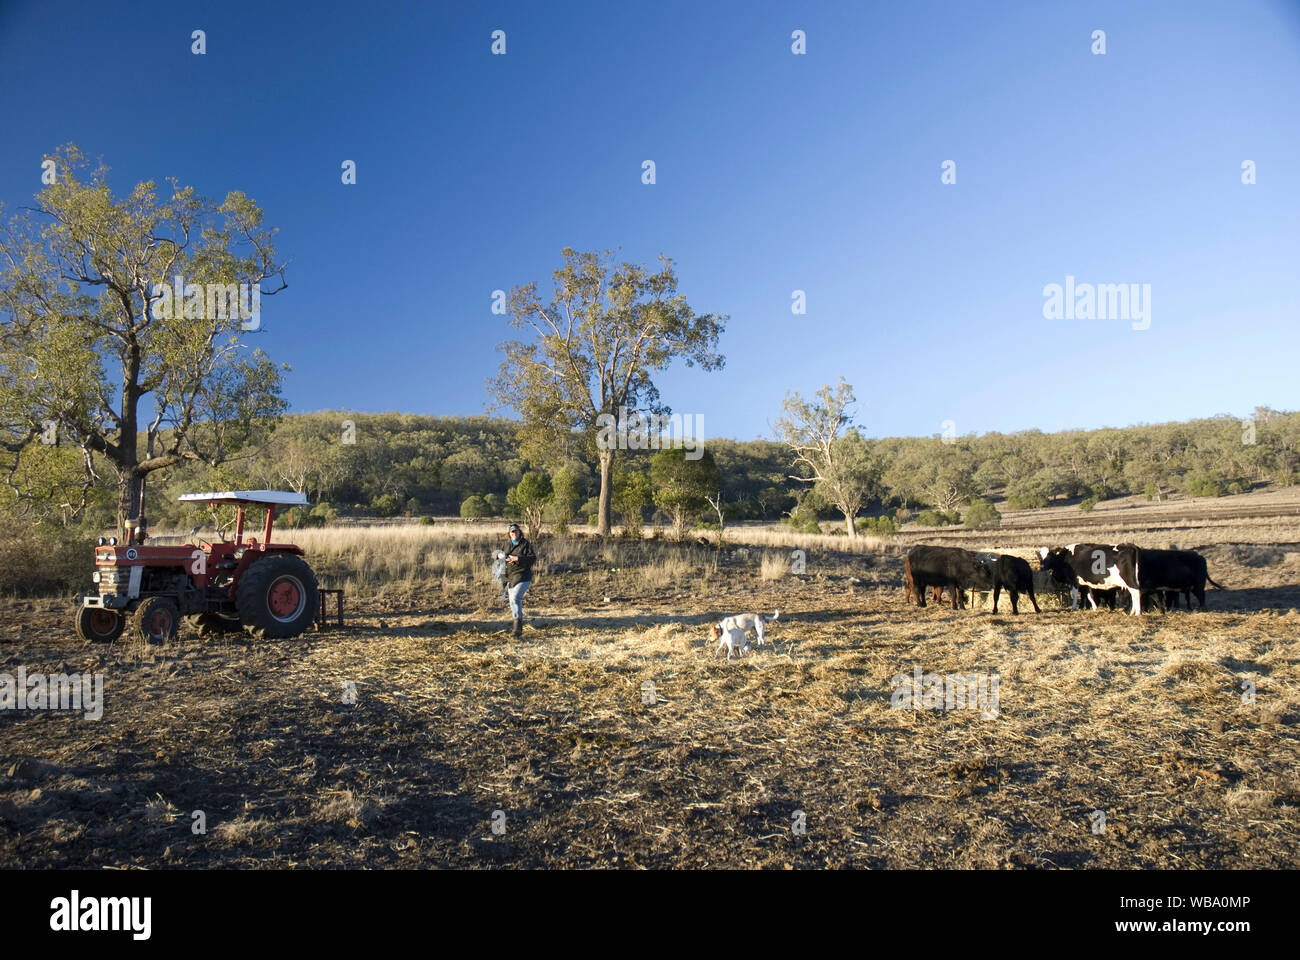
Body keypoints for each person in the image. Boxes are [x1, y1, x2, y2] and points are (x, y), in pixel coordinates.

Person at [500, 522, 535, 637]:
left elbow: (532, 558)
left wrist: (517, 558)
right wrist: (500, 556)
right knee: (512, 601)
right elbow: (497, 555)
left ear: (520, 532)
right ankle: (517, 625)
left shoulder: (525, 544)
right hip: (510, 576)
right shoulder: (506, 545)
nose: (514, 533)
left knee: (515, 598)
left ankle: (517, 629)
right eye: (512, 532)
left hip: (523, 575)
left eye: (516, 531)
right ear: (509, 534)